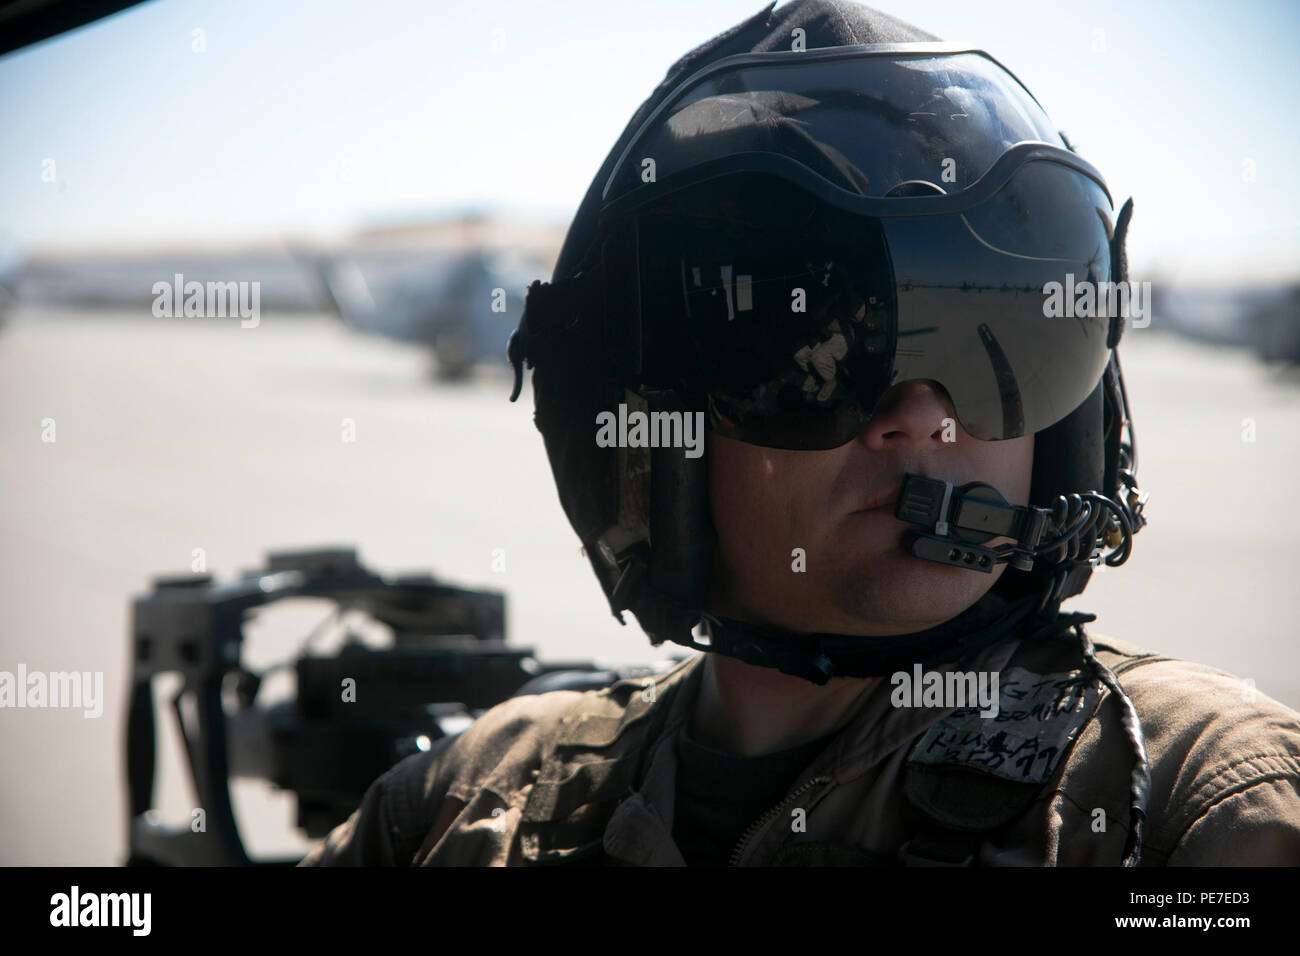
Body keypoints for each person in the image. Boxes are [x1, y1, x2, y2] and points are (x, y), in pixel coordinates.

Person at [299, 0, 1300, 867]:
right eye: (812, 351)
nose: (918, 411)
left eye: (1003, 341)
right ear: (650, 430)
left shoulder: (1191, 798)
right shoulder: (467, 798)